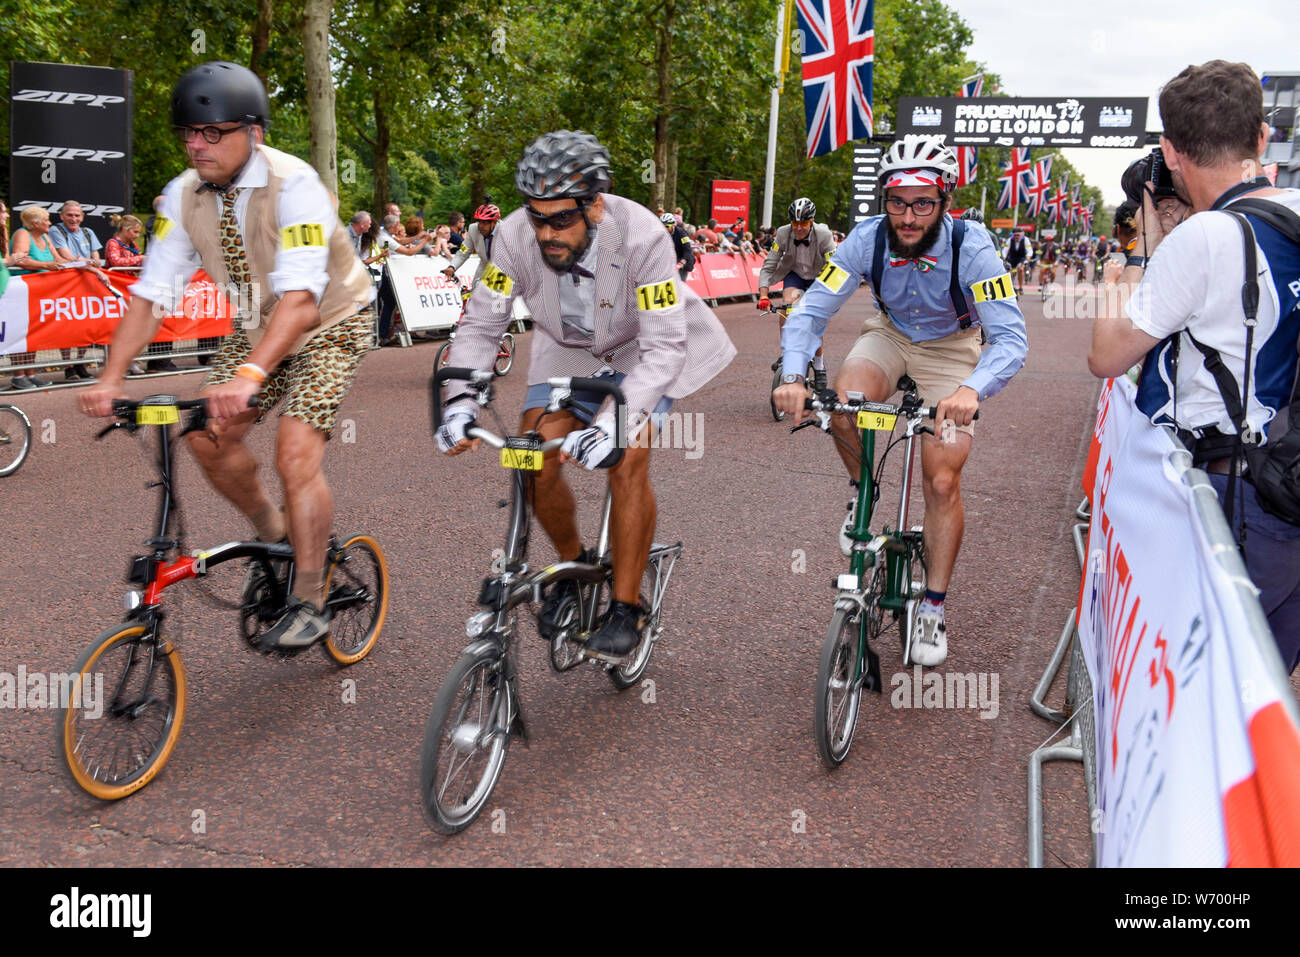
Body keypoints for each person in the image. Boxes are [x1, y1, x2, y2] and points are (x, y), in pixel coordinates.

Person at [80, 60, 375, 653]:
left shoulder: (297, 187)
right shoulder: (182, 197)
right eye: (189, 132)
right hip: (257, 322)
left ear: (254, 133)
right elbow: (151, 296)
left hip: (329, 321)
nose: (197, 144)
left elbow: (299, 304)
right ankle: (278, 534)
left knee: (296, 453)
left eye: (214, 132)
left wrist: (247, 373)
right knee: (206, 436)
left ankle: (311, 594)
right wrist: (110, 376)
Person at [436, 130, 736, 660]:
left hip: (643, 346)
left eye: (561, 220)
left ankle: (626, 607)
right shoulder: (511, 237)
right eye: (536, 216)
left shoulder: (643, 235)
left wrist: (612, 425)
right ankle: (574, 567)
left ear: (595, 205)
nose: (546, 233)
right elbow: (483, 324)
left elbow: (665, 345)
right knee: (533, 456)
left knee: (626, 459)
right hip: (567, 347)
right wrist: (459, 399)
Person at [772, 134, 1028, 666]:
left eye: (922, 204)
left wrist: (969, 390)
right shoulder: (866, 240)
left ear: (945, 201)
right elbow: (812, 310)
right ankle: (860, 490)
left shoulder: (973, 247)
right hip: (889, 334)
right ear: (882, 199)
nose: (908, 217)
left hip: (954, 349)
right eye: (896, 202)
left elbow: (1010, 340)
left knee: (940, 476)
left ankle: (932, 605)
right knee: (843, 401)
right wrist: (794, 375)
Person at [1088, 59, 1300, 671]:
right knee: (1265, 697)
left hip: (1237, 498)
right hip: (1290, 477)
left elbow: (1108, 355)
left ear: (1171, 152)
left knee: (1207, 690)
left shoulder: (1205, 237)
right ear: (1261, 139)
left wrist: (1136, 257)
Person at [757, 197, 837, 391]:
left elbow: (834, 267)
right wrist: (764, 296)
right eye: (795, 223)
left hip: (820, 278)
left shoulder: (824, 235)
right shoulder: (783, 233)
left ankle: (819, 366)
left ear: (812, 221)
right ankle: (787, 352)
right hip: (795, 275)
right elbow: (769, 265)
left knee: (814, 322)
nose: (799, 228)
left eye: (803, 223)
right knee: (787, 307)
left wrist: (828, 296)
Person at [6, 206, 61, 389]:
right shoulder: (23, 234)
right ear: (35, 223)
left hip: (41, 291)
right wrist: (47, 265)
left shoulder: (45, 236)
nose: (50, 223)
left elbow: (58, 259)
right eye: (46, 220)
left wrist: (82, 263)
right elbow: (21, 259)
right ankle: (18, 375)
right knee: (20, 332)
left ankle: (31, 372)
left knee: (34, 331)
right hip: (22, 291)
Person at [445, 204, 500, 285]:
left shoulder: (506, 231)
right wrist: (452, 267)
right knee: (475, 293)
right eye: (479, 222)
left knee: (499, 295)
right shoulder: (473, 229)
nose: (481, 226)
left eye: (485, 223)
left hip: (502, 269)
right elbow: (463, 252)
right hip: (484, 266)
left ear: (494, 222)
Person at [660, 212, 695, 279]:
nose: (665, 228)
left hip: (683, 259)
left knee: (679, 283)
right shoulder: (661, 233)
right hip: (671, 260)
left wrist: (682, 263)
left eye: (667, 226)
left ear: (673, 225)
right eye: (663, 226)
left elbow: (687, 250)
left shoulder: (681, 233)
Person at [1003, 227, 1029, 293]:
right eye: (1015, 235)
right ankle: (1009, 288)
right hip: (1012, 258)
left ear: (1021, 234)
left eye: (1018, 235)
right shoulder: (1009, 240)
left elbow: (1029, 251)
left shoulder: (1026, 240)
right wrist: (1003, 259)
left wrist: (1027, 259)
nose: (1016, 236)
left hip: (1021, 258)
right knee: (1009, 272)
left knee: (1020, 269)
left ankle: (1020, 287)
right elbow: (1005, 251)